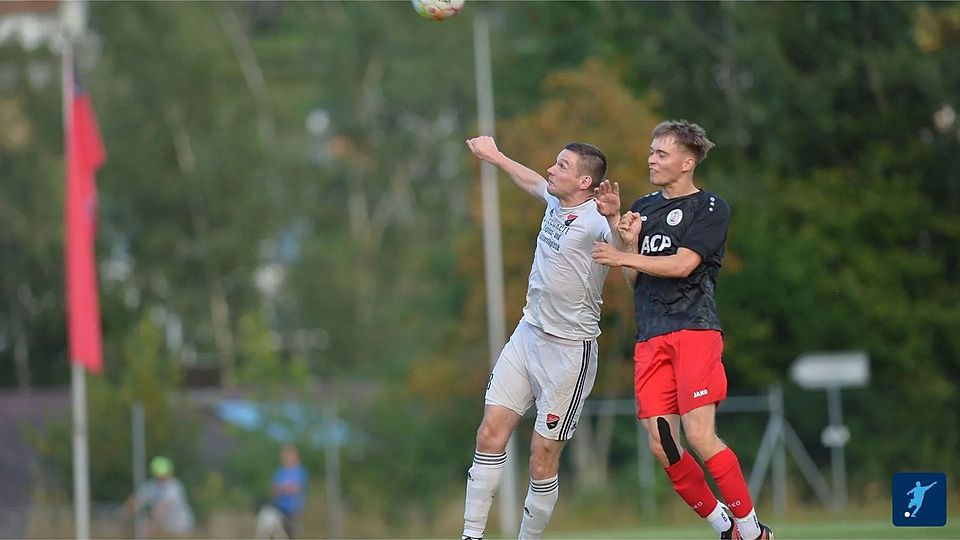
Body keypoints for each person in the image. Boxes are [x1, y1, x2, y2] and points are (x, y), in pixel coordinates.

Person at [592, 120, 773, 540]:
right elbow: (637, 280)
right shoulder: (645, 208)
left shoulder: (711, 207)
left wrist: (620, 258)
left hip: (694, 330)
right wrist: (627, 237)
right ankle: (722, 526)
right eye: (651, 151)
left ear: (687, 162)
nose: (651, 159)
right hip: (650, 337)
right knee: (662, 444)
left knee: (699, 435)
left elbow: (682, 265)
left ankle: (751, 531)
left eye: (661, 153)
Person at [460, 136, 622, 540]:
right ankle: (471, 536)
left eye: (562, 166)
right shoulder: (555, 202)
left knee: (541, 458)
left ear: (585, 182)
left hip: (569, 352)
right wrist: (495, 155)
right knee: (489, 432)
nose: (552, 169)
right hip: (528, 335)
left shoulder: (597, 220)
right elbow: (531, 179)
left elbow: (622, 248)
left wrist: (619, 222)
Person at [125, 455, 195, 538]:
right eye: (158, 475)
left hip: (180, 529)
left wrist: (149, 526)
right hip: (164, 529)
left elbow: (161, 510)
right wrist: (124, 517)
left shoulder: (174, 488)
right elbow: (136, 502)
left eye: (163, 475)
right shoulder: (150, 486)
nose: (161, 478)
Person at [271, 444, 307, 538]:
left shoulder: (299, 471)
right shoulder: (280, 471)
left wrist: (282, 488)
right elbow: (274, 488)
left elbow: (296, 488)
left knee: (290, 534)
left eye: (287, 455)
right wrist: (285, 488)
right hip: (278, 509)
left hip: (293, 509)